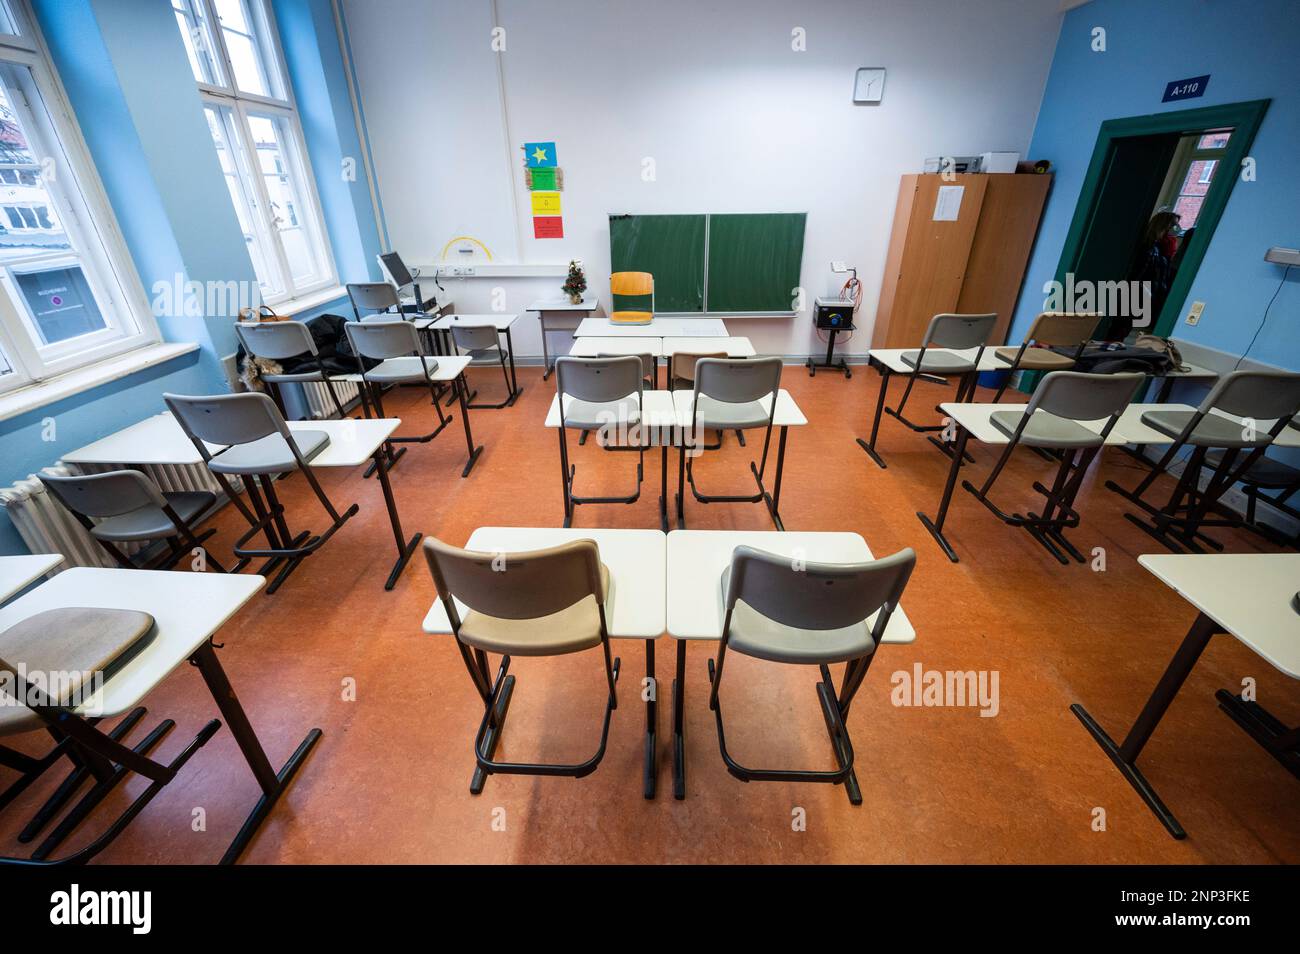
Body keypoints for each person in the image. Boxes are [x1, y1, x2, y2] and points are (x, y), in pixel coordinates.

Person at [1110, 210, 1181, 341]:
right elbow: (1138, 273)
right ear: (1164, 226)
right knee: (1118, 328)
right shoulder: (1149, 247)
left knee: (1124, 329)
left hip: (1147, 295)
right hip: (1135, 293)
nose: (1176, 230)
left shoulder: (1163, 248)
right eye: (1173, 226)